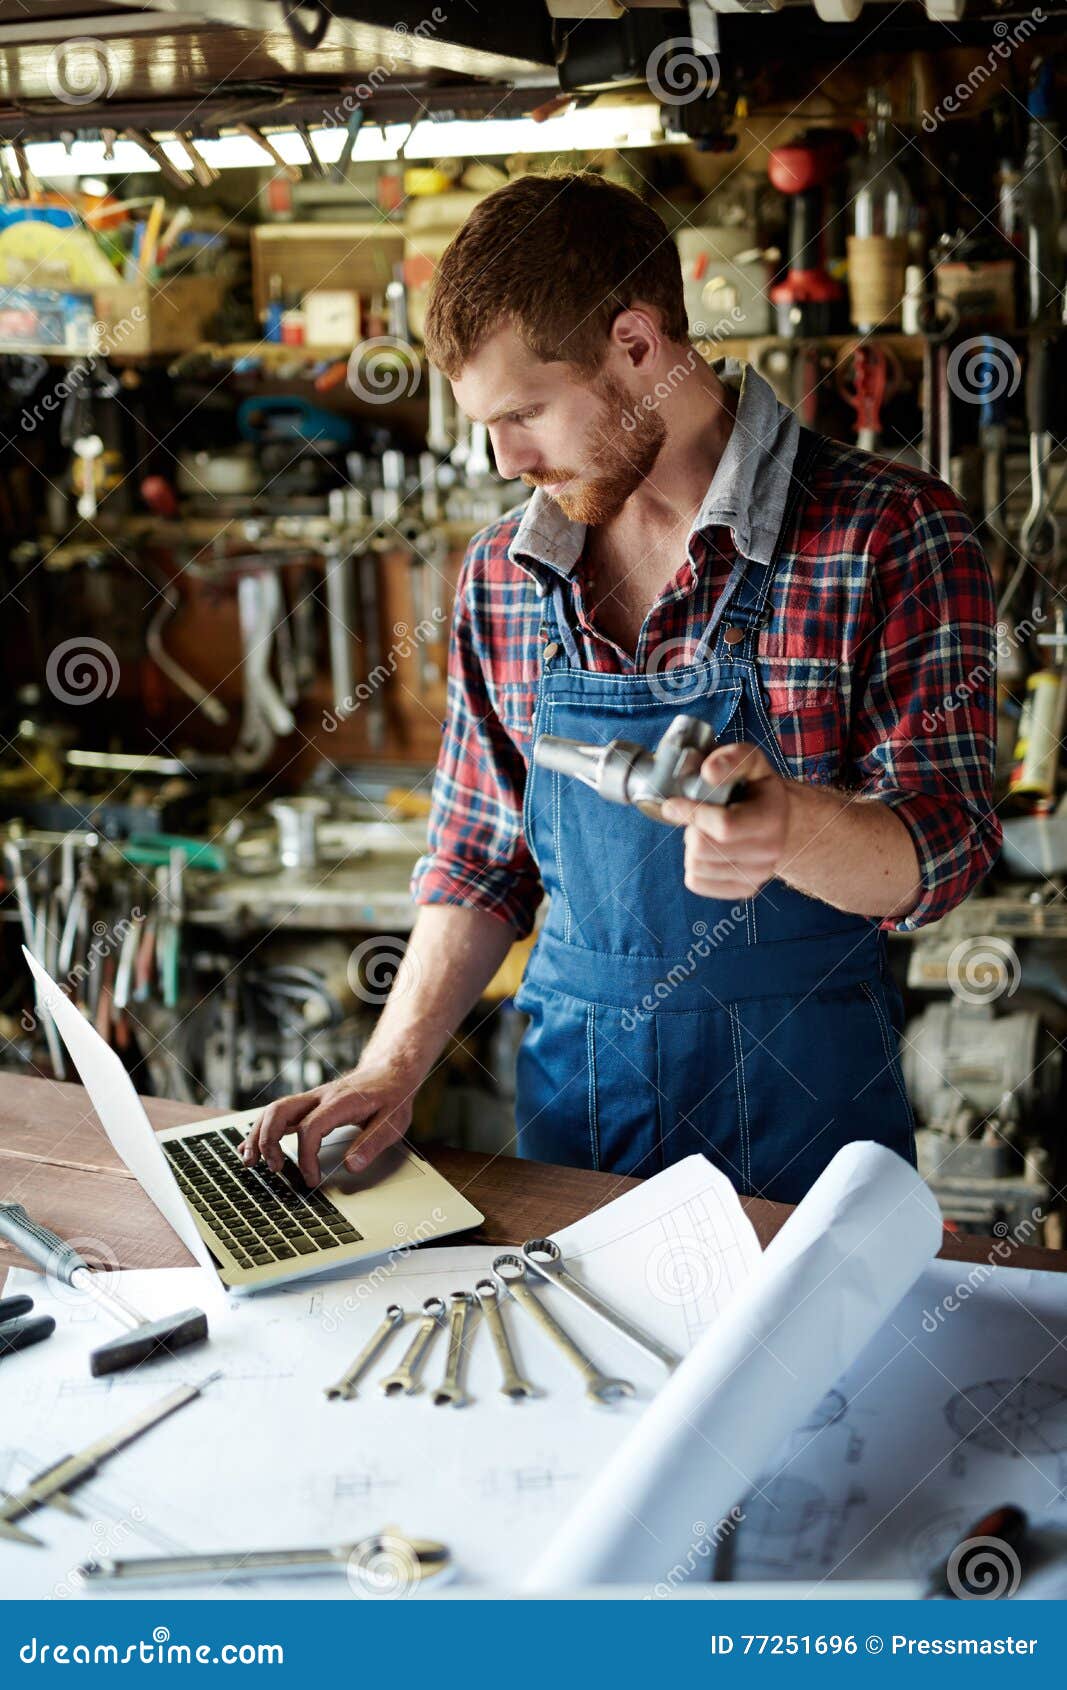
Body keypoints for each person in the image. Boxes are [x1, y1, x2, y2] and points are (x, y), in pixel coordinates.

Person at [243, 171, 1000, 1204]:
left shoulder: (888, 531)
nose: (504, 458)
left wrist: (786, 829)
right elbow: (478, 860)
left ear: (637, 346)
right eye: (485, 423)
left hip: (805, 1148)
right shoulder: (503, 574)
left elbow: (943, 852)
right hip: (577, 1128)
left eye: (526, 412)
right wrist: (393, 1062)